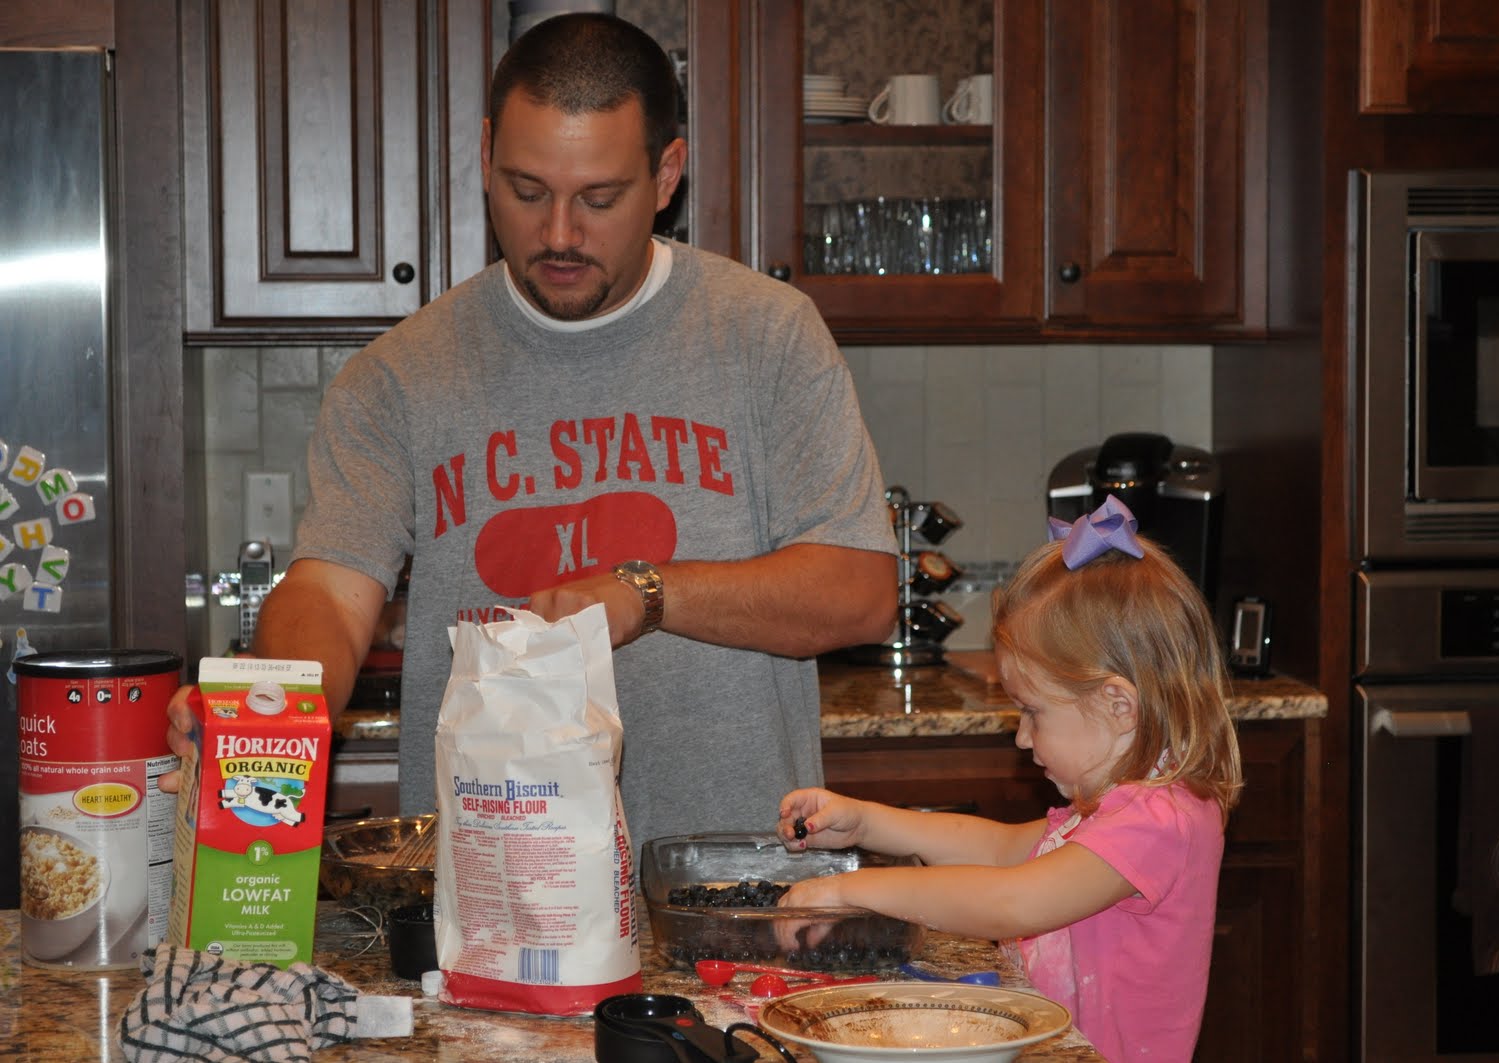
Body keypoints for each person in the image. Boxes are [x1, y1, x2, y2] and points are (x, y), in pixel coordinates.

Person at [163, 13, 898, 852]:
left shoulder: (767, 335)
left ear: (667, 174)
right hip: (492, 900)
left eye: (599, 198)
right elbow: (329, 594)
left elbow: (863, 590)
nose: (557, 234)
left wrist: (640, 594)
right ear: (484, 157)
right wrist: (266, 707)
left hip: (734, 893)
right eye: (525, 190)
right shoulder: (400, 375)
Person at [774, 497, 1242, 1063]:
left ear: (1118, 704)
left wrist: (848, 890)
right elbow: (1001, 848)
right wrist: (865, 822)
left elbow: (1014, 899)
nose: (1022, 737)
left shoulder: (1160, 818)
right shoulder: (1115, 802)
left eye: (1034, 713)